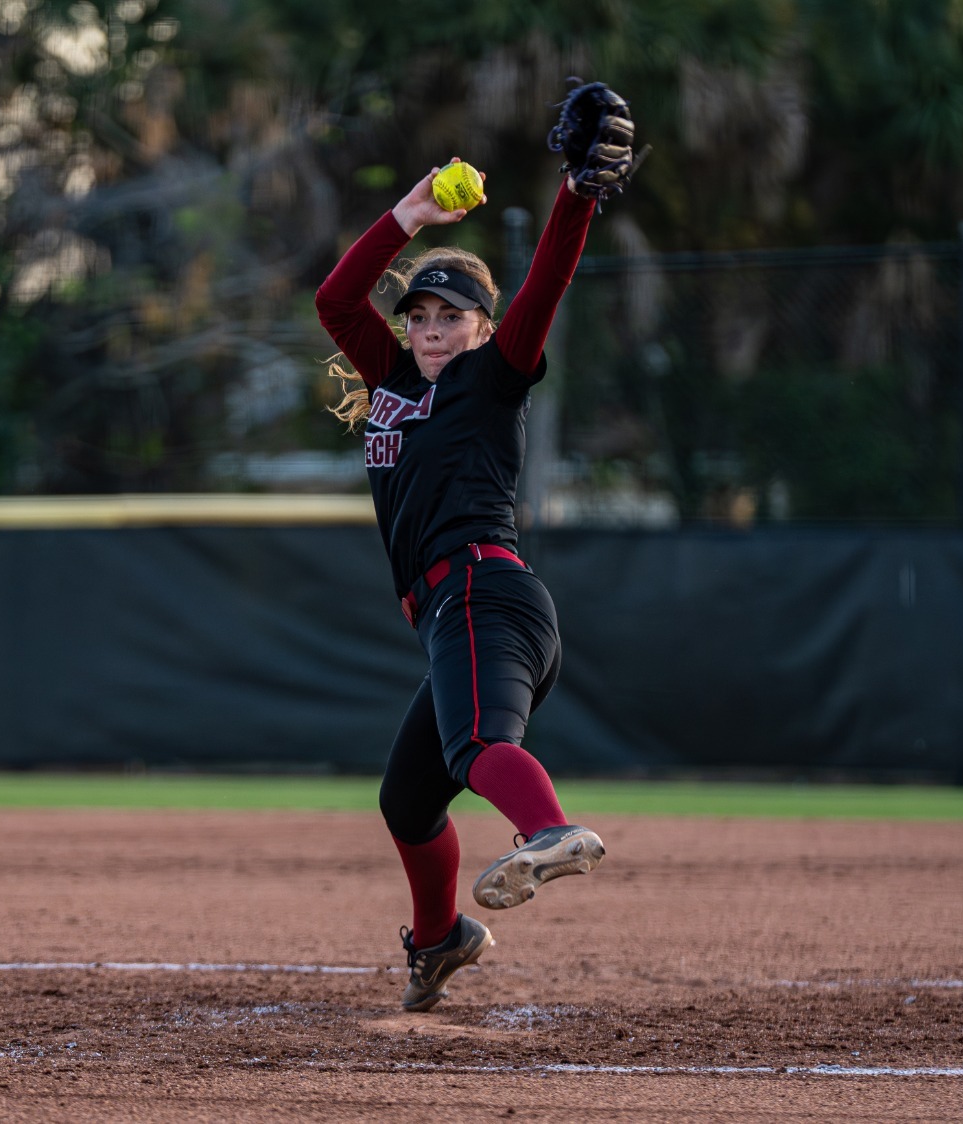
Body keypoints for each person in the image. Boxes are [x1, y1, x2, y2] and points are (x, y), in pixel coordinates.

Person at [313, 155, 608, 1012]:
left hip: (484, 594)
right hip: (455, 611)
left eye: (453, 315)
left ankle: (550, 829)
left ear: (483, 327)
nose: (433, 329)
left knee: (477, 748)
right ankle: (441, 936)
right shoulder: (395, 380)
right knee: (408, 801)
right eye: (420, 316)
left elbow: (548, 282)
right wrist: (408, 212)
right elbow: (336, 300)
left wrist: (578, 192)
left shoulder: (492, 379)